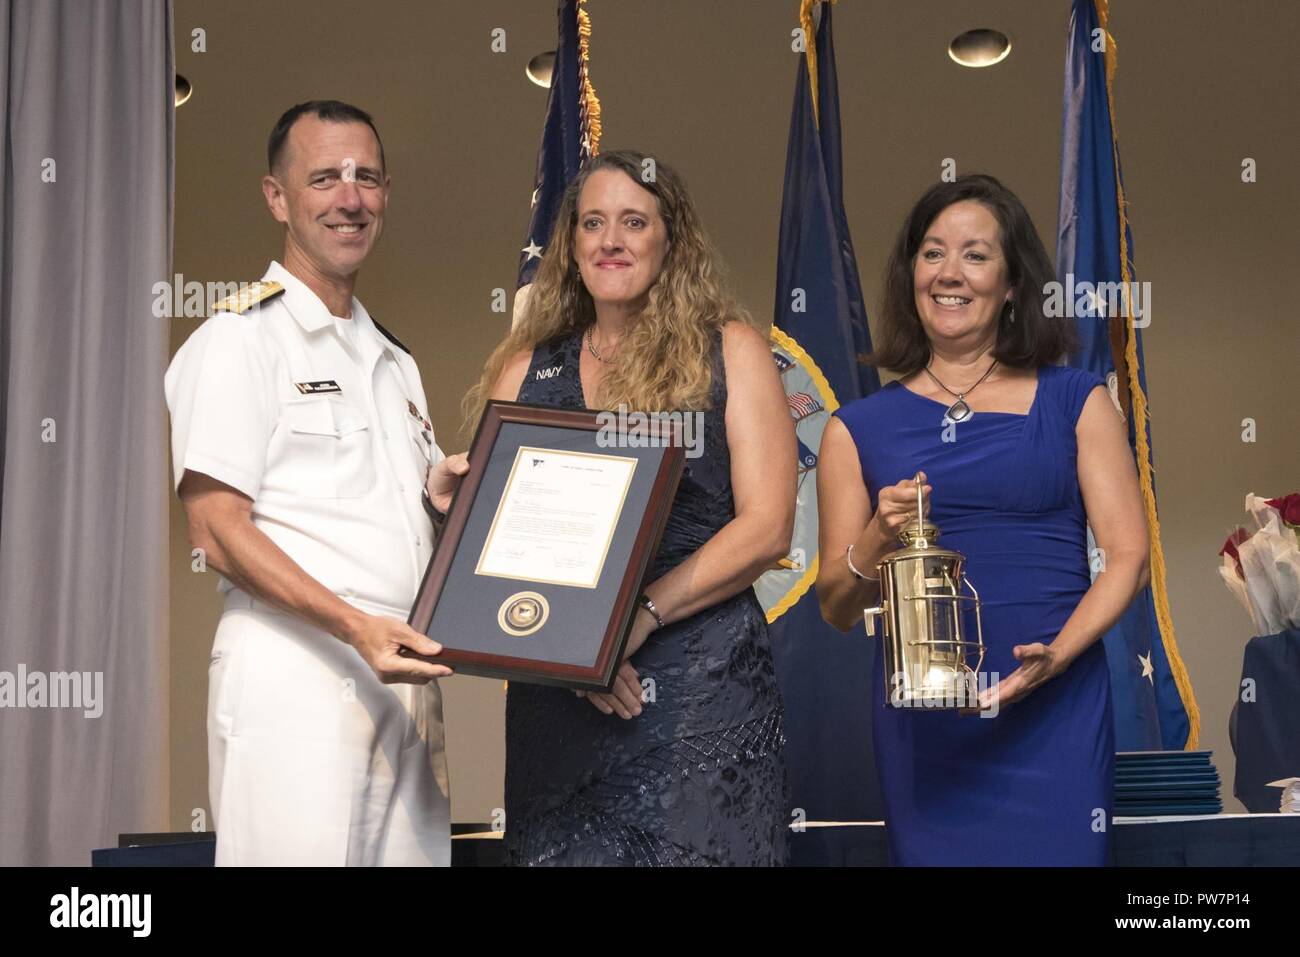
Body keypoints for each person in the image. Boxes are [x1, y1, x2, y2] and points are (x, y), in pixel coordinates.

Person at [466, 149, 796, 865]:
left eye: (634, 221)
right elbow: (489, 547)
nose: (611, 240)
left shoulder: (731, 352)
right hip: (559, 703)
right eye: (593, 223)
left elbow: (769, 526)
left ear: (670, 241)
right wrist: (575, 655)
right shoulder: (527, 366)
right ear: (572, 245)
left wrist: (635, 620)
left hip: (700, 694)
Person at [164, 100, 468, 866]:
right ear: (277, 198)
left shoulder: (396, 361)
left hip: (404, 681)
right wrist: (354, 625)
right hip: (296, 683)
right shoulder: (239, 340)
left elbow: (380, 516)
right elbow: (217, 529)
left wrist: (441, 506)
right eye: (325, 177)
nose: (350, 197)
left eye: (367, 178)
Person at [816, 174, 1150, 866]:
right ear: (911, 273)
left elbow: (1128, 556)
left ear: (1012, 283)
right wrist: (876, 540)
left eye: (975, 254)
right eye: (933, 252)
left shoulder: (1078, 401)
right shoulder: (855, 430)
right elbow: (836, 606)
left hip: (1056, 710)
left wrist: (1059, 655)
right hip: (929, 727)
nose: (949, 272)